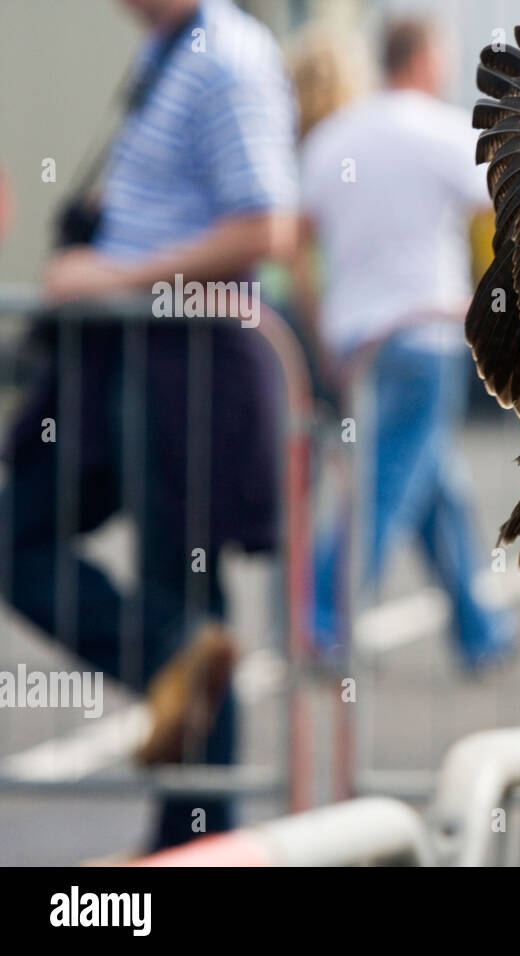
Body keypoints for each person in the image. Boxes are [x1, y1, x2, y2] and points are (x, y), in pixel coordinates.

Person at [0, 0, 297, 850]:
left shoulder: (224, 57)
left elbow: (264, 225)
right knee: (166, 606)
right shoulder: (177, 49)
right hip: (130, 356)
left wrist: (112, 274)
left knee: (183, 598)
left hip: (182, 359)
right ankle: (176, 705)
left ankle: (192, 836)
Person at [296, 16, 516, 670]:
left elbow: (299, 244)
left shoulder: (333, 138)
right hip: (425, 331)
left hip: (356, 335)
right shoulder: (438, 130)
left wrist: (320, 329)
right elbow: (504, 204)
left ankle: (479, 629)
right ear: (422, 59)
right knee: (389, 481)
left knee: (432, 478)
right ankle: (320, 618)